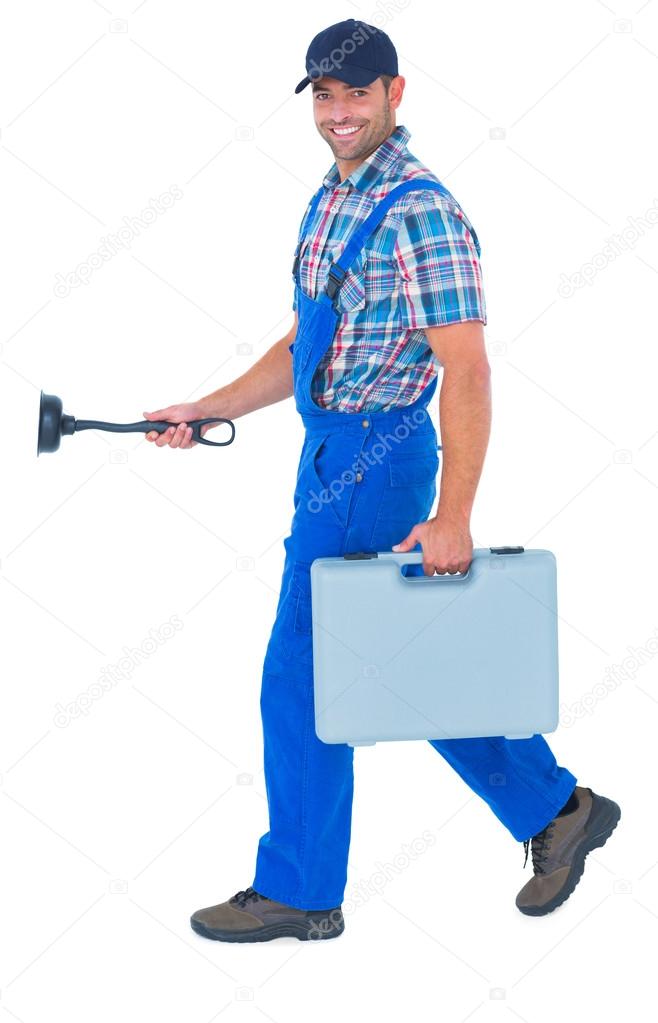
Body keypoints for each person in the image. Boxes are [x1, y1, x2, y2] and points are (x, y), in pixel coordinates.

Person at [142, 19, 621, 943]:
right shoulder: (332, 198)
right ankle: (558, 810)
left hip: (378, 460)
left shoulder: (422, 212)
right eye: (324, 95)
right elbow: (302, 348)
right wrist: (204, 407)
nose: (338, 111)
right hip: (328, 456)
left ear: (396, 93)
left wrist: (454, 514)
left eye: (356, 92)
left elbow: (468, 368)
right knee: (400, 668)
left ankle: (302, 888)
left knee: (302, 681)